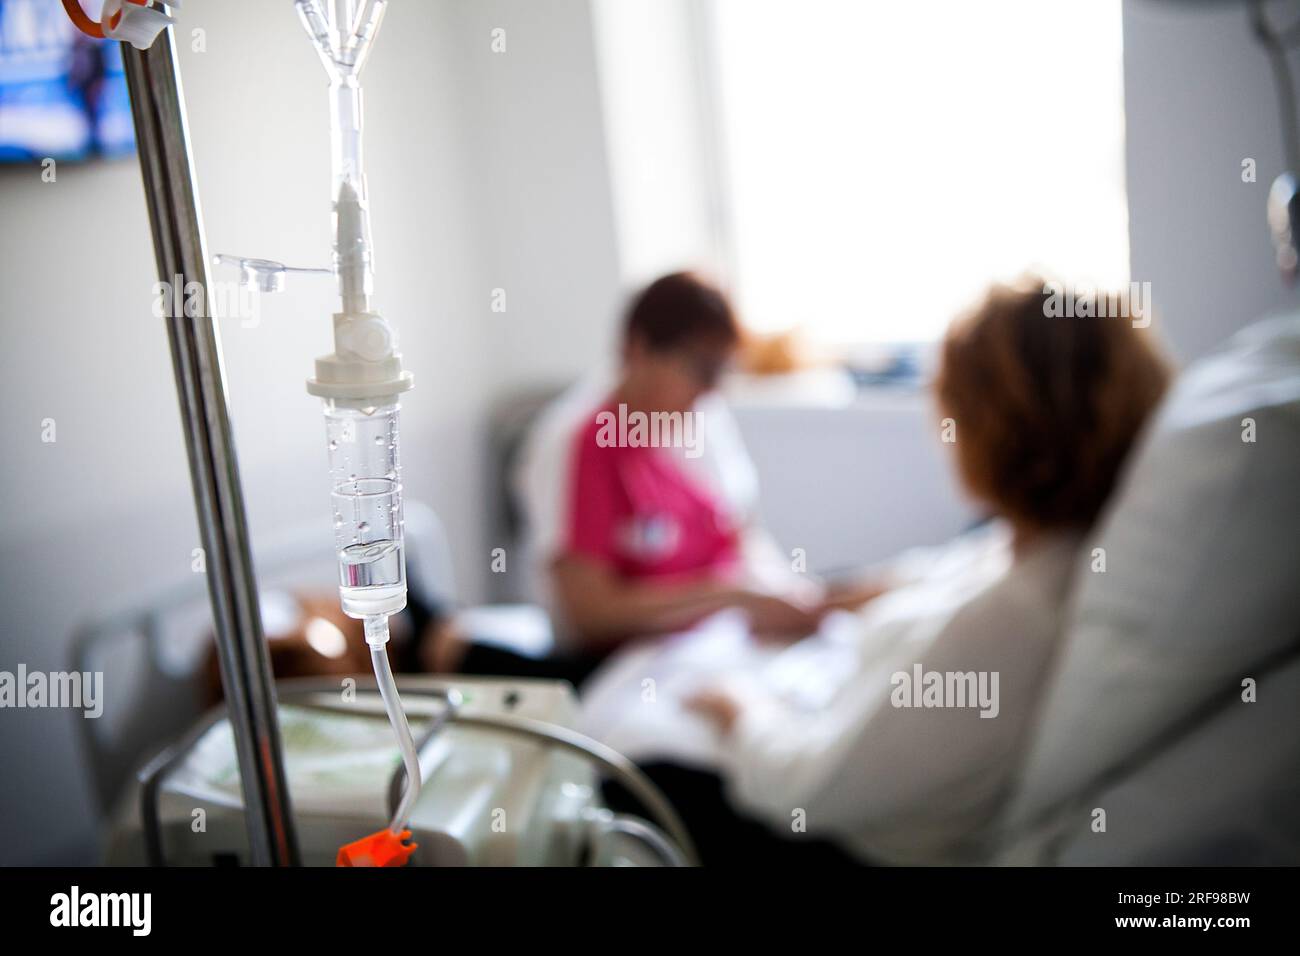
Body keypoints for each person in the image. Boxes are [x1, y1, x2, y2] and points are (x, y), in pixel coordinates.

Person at [659, 278, 1174, 864]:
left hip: (829, 838)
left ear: (991, 423)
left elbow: (806, 787)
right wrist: (827, 604)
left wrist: (736, 705)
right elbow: (935, 574)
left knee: (635, 764)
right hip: (818, 692)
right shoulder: (1044, 546)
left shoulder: (1004, 628)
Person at [431, 272, 828, 685]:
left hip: (715, 643)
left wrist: (786, 596)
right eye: (700, 368)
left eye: (721, 373)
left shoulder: (699, 419)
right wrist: (733, 595)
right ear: (639, 347)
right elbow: (590, 616)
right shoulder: (579, 444)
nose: (709, 392)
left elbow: (742, 536)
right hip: (632, 667)